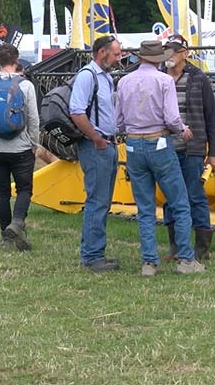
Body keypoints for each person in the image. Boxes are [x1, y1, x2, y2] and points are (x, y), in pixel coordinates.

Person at [116, 39, 204, 277]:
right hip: (160, 143)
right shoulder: (165, 81)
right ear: (159, 59)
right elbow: (172, 118)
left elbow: (119, 121)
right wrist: (183, 130)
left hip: (133, 145)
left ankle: (149, 263)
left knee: (145, 207)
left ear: (140, 57)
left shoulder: (124, 81)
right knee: (179, 203)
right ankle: (185, 259)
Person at [69, 35, 123, 273]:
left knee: (102, 201)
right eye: (116, 53)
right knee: (97, 201)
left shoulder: (105, 78)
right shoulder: (88, 76)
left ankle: (94, 252)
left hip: (105, 144)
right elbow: (76, 111)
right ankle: (92, 256)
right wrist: (96, 138)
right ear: (102, 52)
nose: (119, 58)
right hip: (96, 146)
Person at [162, 36, 215, 260]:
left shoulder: (198, 78)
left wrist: (214, 151)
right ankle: (176, 246)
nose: (169, 55)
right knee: (170, 197)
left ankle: (202, 249)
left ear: (185, 53)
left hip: (192, 148)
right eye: (166, 51)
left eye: (174, 51)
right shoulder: (160, 76)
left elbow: (211, 116)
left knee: (195, 196)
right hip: (166, 147)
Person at [0, 43, 40, 251]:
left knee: (2, 192)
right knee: (24, 189)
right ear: (16, 61)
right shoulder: (25, 85)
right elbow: (33, 118)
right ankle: (17, 223)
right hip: (21, 147)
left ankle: (5, 238)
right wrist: (34, 143)